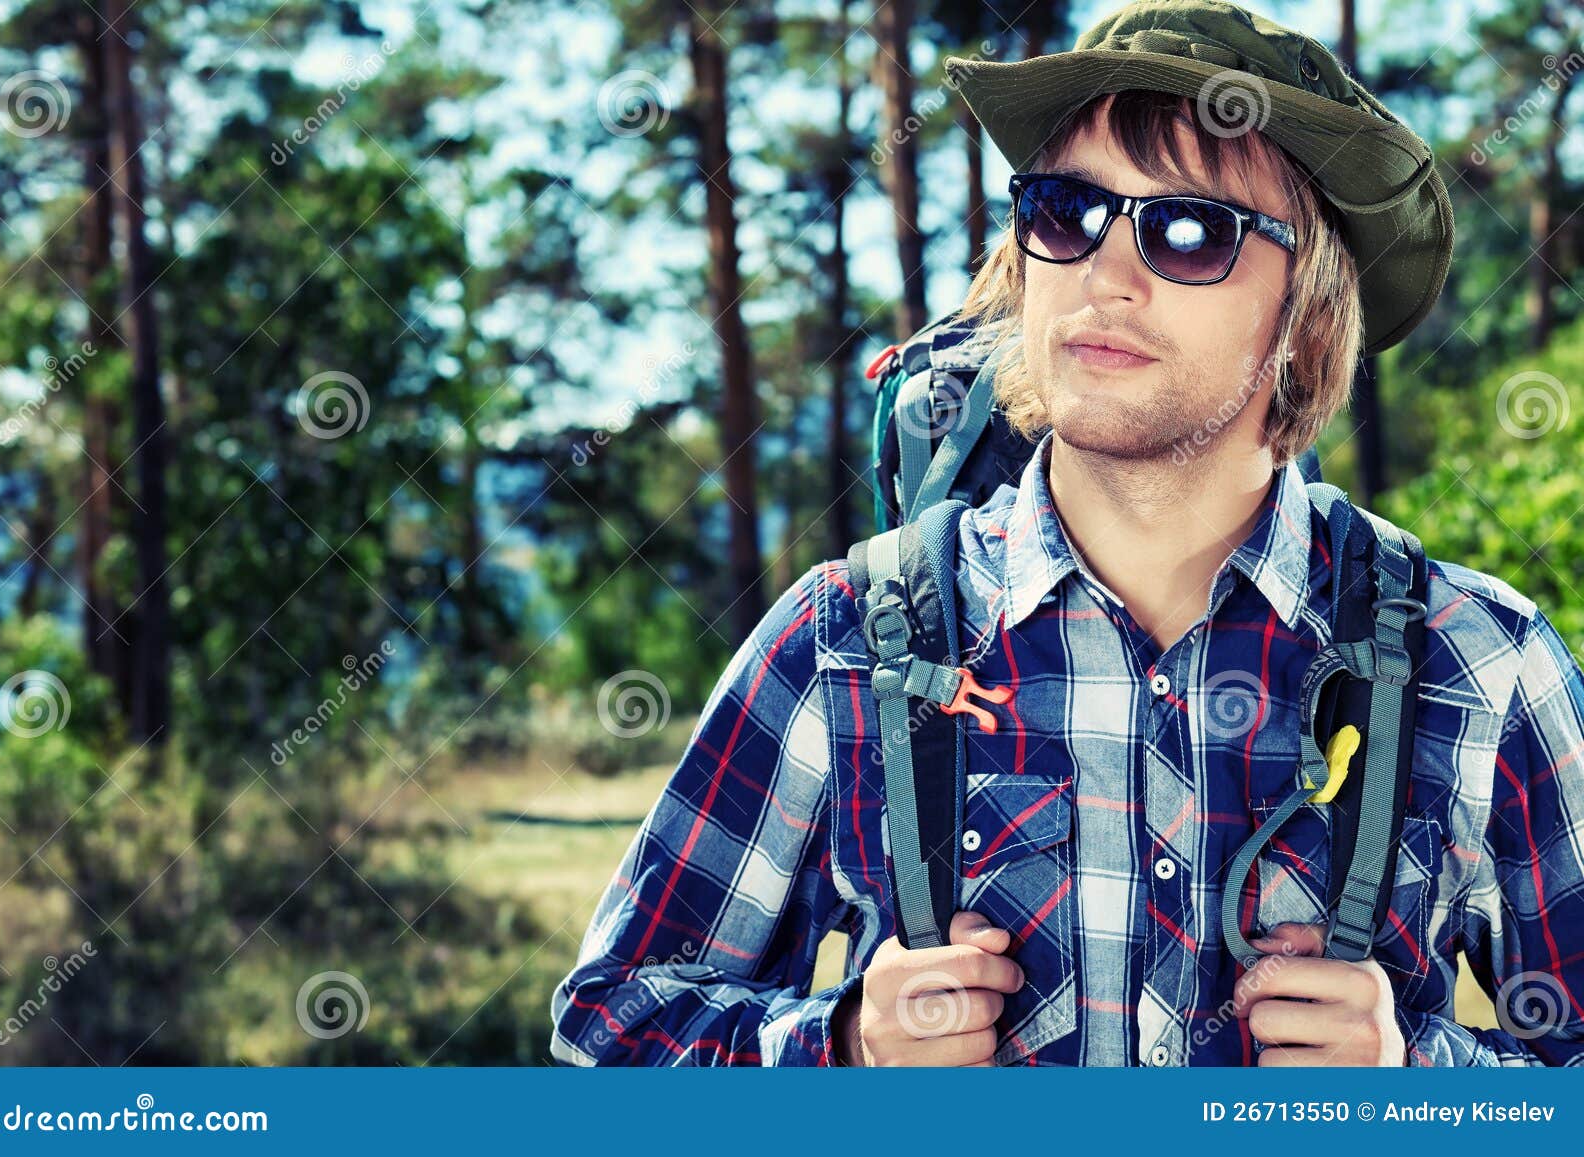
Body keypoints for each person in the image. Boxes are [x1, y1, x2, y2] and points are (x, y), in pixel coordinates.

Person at [550, 0, 1584, 1066]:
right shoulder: (844, 639)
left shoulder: (1479, 662)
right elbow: (612, 1027)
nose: (1106, 275)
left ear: (1307, 313)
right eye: (1064, 211)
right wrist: (841, 1048)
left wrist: (1421, 1080)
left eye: (1192, 230)